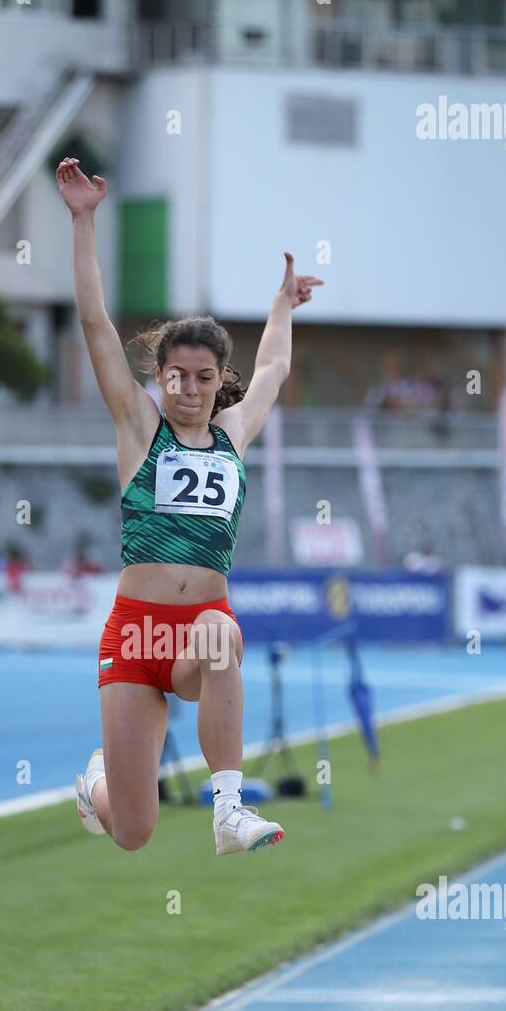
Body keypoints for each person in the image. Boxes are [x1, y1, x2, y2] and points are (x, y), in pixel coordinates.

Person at [57, 155, 322, 855]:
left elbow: (273, 369)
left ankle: (228, 809)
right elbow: (93, 324)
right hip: (135, 634)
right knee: (134, 833)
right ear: (161, 375)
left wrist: (282, 303)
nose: (190, 387)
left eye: (204, 377)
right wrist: (85, 222)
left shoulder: (233, 436)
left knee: (221, 631)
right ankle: (95, 786)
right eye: (177, 375)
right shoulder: (139, 428)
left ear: (216, 380)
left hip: (197, 633)